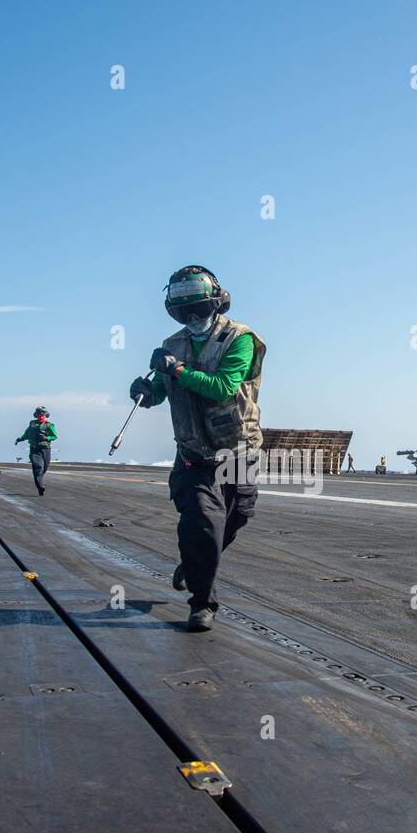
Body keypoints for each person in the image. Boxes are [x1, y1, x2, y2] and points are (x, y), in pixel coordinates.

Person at [128, 264, 265, 632]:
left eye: (199, 310)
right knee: (203, 523)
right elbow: (159, 392)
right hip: (193, 452)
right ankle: (202, 603)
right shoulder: (171, 346)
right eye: (184, 312)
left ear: (216, 304)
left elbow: (223, 387)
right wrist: (145, 391)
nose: (192, 319)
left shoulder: (240, 339)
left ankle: (194, 565)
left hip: (238, 449)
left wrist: (177, 372)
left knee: (237, 518)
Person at [16, 406, 58, 495]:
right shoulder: (32, 424)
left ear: (46, 415)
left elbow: (55, 436)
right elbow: (27, 434)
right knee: (38, 467)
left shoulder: (49, 425)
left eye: (43, 414)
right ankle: (40, 486)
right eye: (39, 414)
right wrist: (20, 439)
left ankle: (40, 485)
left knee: (44, 469)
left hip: (45, 450)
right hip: (35, 449)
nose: (41, 416)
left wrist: (46, 438)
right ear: (36, 415)